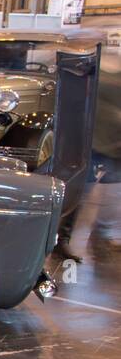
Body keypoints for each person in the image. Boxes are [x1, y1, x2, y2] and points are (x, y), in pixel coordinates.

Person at [61, 45, 121, 261]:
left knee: (111, 192)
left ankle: (102, 236)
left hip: (112, 143)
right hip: (91, 142)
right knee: (79, 191)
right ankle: (61, 239)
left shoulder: (108, 73)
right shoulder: (93, 71)